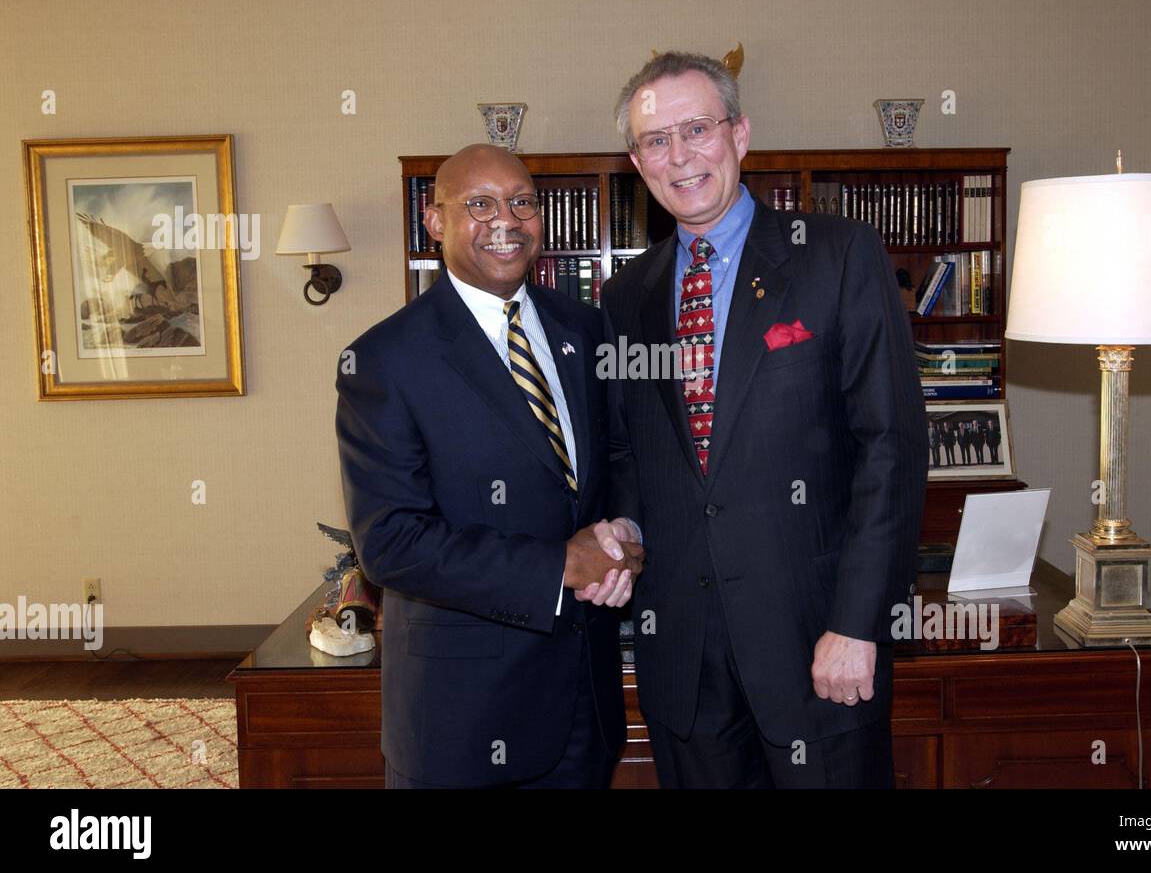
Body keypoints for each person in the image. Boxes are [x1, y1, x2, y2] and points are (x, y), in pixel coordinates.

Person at [600, 52, 928, 788]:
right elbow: (630, 455)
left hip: (818, 641)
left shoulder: (838, 257)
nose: (679, 155)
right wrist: (622, 531)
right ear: (636, 160)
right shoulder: (626, 295)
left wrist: (857, 623)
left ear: (740, 134)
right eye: (656, 140)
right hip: (684, 660)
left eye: (697, 129)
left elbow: (893, 450)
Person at [335, 144, 643, 788]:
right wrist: (561, 565)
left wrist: (626, 536)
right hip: (465, 719)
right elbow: (390, 543)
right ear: (436, 222)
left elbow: (621, 457)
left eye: (522, 202)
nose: (506, 219)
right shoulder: (385, 361)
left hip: (585, 705)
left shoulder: (587, 329)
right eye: (478, 204)